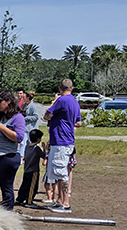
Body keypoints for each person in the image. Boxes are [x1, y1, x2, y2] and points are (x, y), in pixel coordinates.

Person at [42, 78, 81, 214]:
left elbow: (47, 115)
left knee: (61, 171)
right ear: (72, 88)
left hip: (61, 141)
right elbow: (78, 122)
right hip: (67, 140)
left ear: (60, 89)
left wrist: (54, 103)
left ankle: (65, 204)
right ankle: (59, 201)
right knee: (59, 172)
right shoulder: (75, 102)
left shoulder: (61, 100)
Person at [16, 129, 46, 206]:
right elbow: (44, 156)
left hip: (26, 170)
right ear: (38, 139)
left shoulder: (27, 146)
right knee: (33, 187)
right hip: (34, 170)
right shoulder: (36, 148)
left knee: (25, 185)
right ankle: (29, 201)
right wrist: (45, 148)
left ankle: (20, 199)